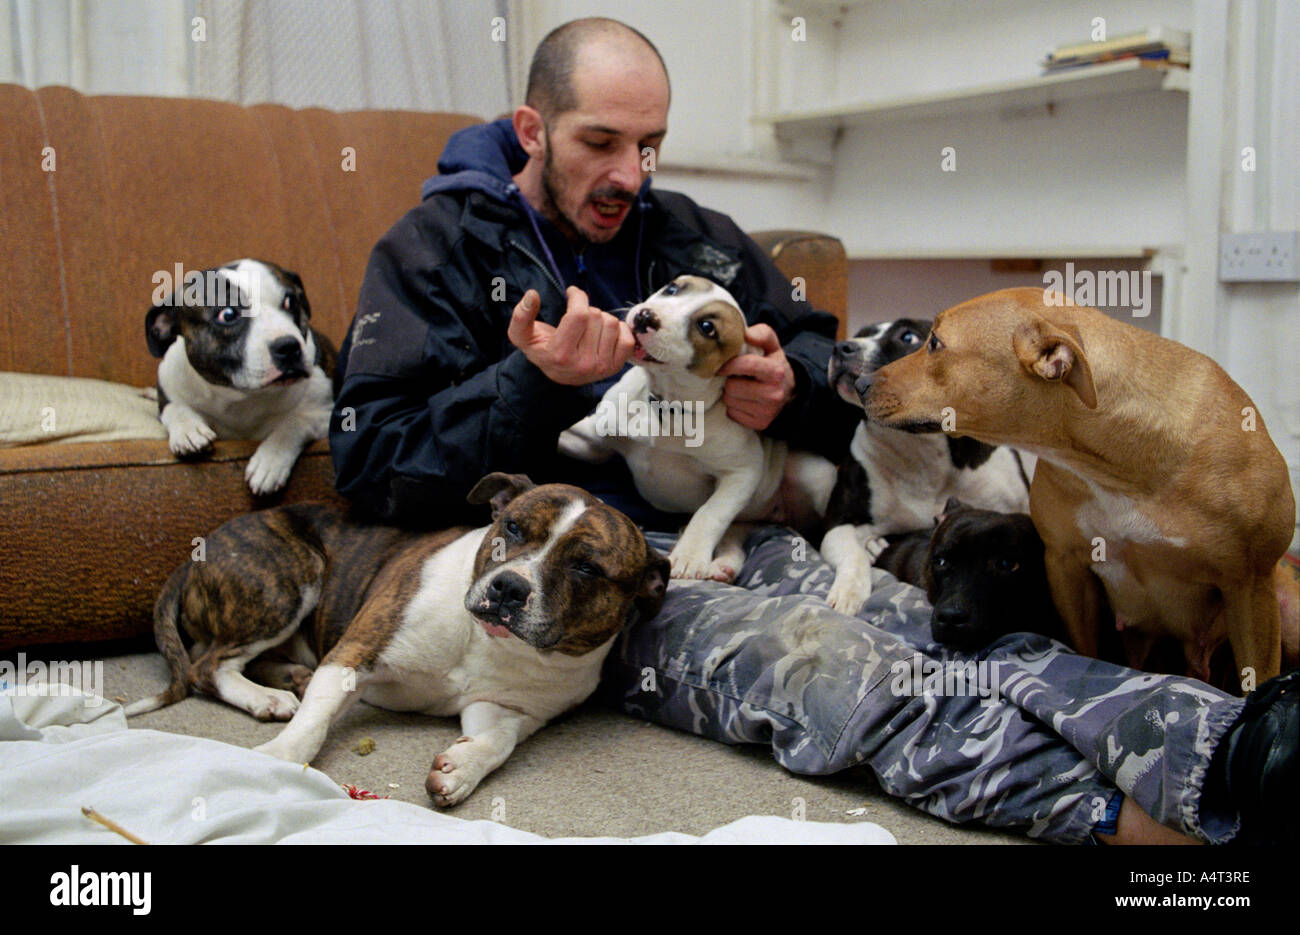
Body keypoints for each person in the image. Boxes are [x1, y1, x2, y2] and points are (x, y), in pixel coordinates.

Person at [330, 17, 1297, 844]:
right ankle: (1185, 800)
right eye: (601, 143)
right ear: (532, 129)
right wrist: (530, 384)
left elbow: (839, 366)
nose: (632, 172)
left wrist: (784, 386)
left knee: (942, 624)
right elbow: (372, 466)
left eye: (652, 143)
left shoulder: (687, 234)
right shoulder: (435, 249)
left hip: (742, 524)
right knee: (815, 668)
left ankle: (1238, 729)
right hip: (586, 584)